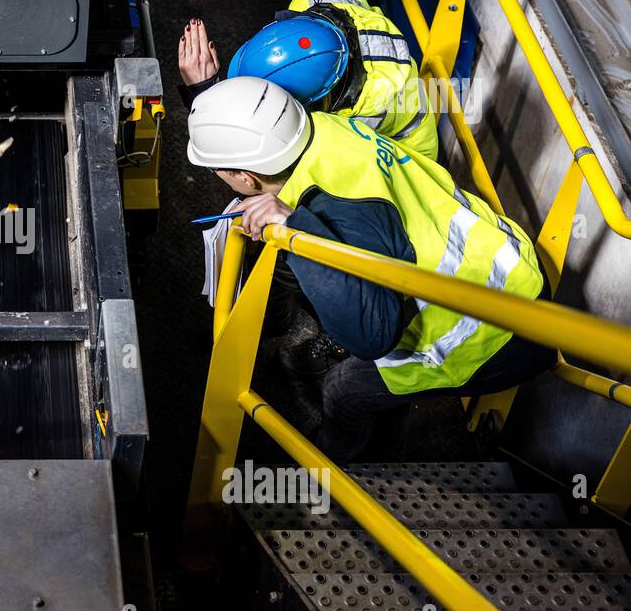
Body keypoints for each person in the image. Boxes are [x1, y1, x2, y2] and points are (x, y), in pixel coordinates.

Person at [186, 75, 555, 460]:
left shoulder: (340, 209)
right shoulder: (321, 128)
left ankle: (338, 474)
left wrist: (298, 231)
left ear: (246, 178)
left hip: (494, 333)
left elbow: (373, 336)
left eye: (218, 170)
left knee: (344, 391)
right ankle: (378, 438)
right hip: (511, 264)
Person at [177, 0, 435, 160]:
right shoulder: (313, 1)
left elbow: (255, 172)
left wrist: (203, 93)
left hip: (405, 171)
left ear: (313, 105)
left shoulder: (348, 130)